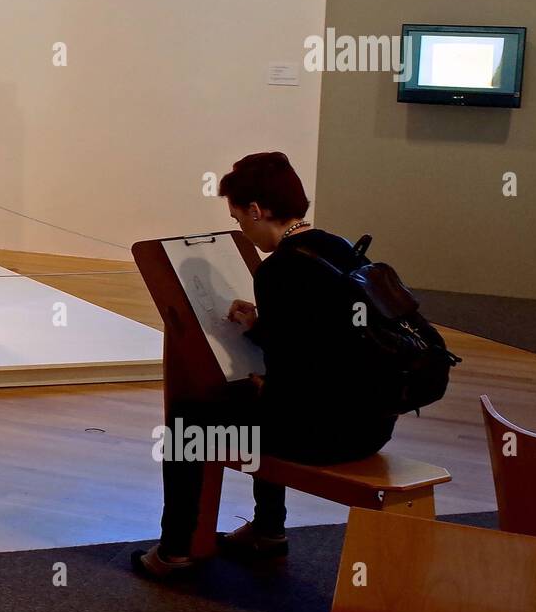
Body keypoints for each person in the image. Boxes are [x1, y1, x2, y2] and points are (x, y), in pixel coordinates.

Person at [133, 151, 399, 579]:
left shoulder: (279, 269)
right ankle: (268, 531)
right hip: (374, 425)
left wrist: (263, 372)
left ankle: (174, 551)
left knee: (188, 419)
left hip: (326, 436)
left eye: (239, 218)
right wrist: (261, 327)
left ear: (257, 210)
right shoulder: (338, 248)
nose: (241, 227)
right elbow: (318, 341)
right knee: (264, 399)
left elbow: (291, 366)